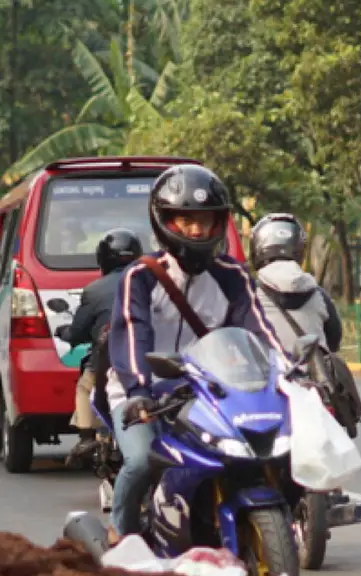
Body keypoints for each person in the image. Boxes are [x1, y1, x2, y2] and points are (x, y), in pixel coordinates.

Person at [104, 164, 287, 544]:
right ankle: (122, 539)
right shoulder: (140, 277)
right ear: (164, 221)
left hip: (207, 390)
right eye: (186, 220)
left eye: (206, 220)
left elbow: (258, 330)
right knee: (140, 462)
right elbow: (132, 335)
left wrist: (285, 373)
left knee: (258, 453)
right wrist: (138, 390)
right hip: (142, 391)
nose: (198, 230)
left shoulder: (232, 275)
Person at [58, 228, 144, 467]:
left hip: (107, 362)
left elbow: (77, 332)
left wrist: (63, 332)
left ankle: (86, 437)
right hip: (145, 361)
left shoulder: (94, 290)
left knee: (85, 385)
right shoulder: (150, 283)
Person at [249, 212, 343, 354]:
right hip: (313, 374)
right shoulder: (319, 295)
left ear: (257, 248)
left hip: (267, 375)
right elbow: (334, 342)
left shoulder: (249, 295)